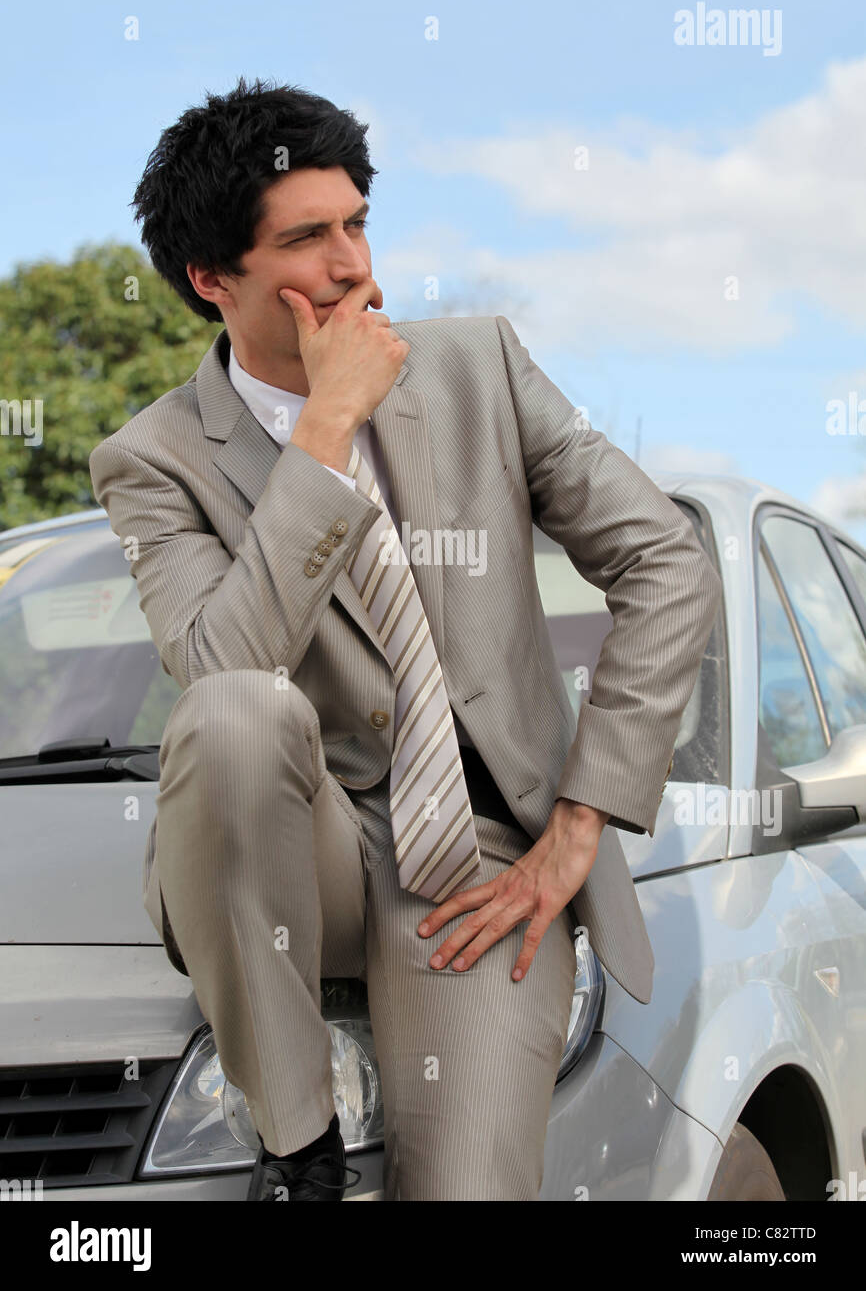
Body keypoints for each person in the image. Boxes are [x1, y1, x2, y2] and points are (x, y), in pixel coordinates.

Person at [89, 76, 722, 1201]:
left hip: (479, 860)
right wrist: (325, 429)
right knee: (237, 711)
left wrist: (581, 819)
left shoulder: (479, 365)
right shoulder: (153, 460)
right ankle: (296, 1151)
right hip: (304, 846)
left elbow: (664, 558)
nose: (354, 270)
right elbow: (221, 666)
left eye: (356, 224)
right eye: (306, 241)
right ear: (209, 279)